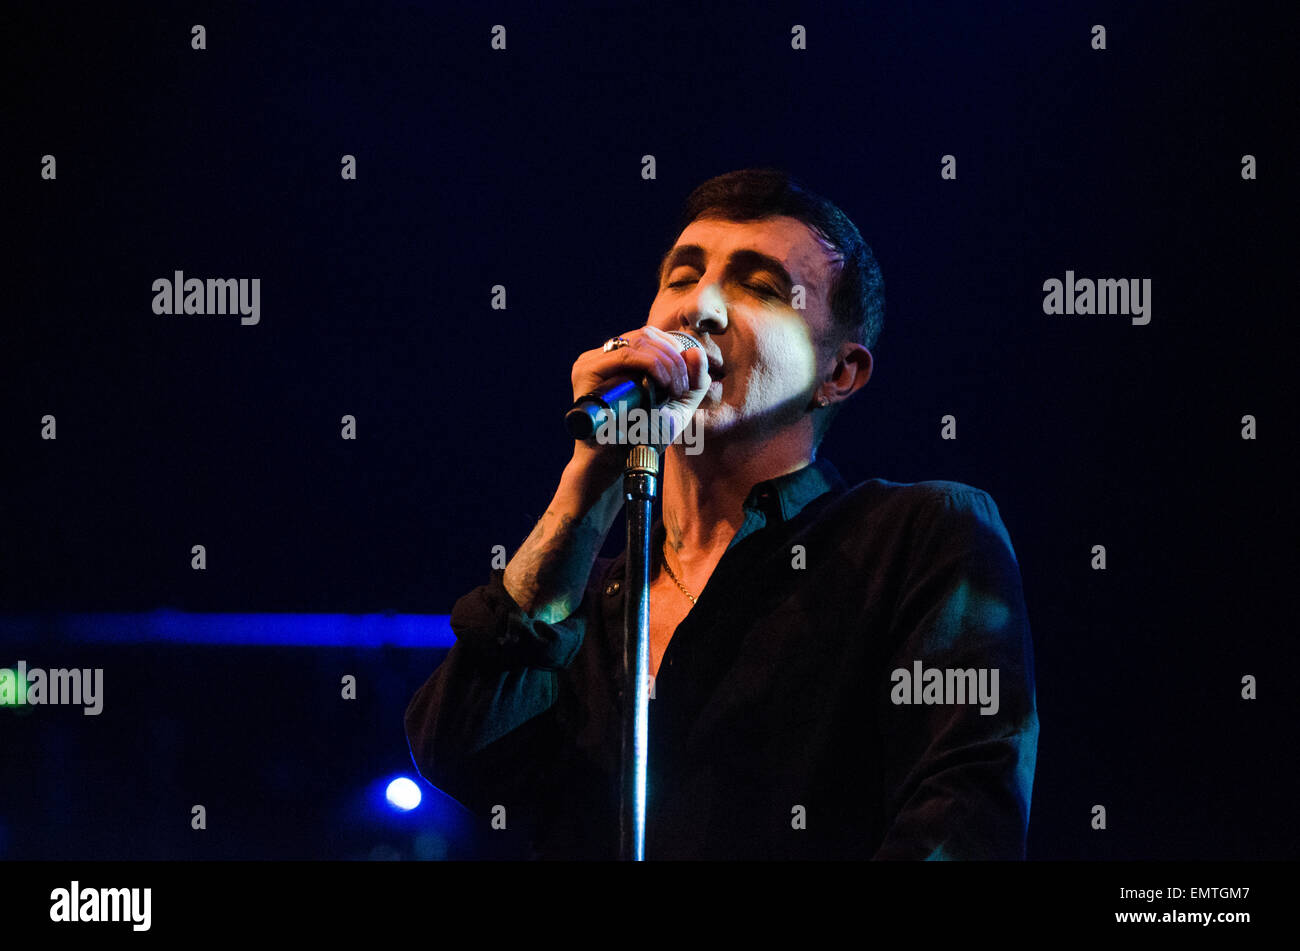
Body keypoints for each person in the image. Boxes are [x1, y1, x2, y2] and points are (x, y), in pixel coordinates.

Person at [405, 168, 1039, 859]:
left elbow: (963, 816)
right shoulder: (583, 602)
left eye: (759, 287)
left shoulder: (917, 535)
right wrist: (589, 483)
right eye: (681, 277)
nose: (700, 307)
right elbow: (457, 750)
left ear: (840, 373)